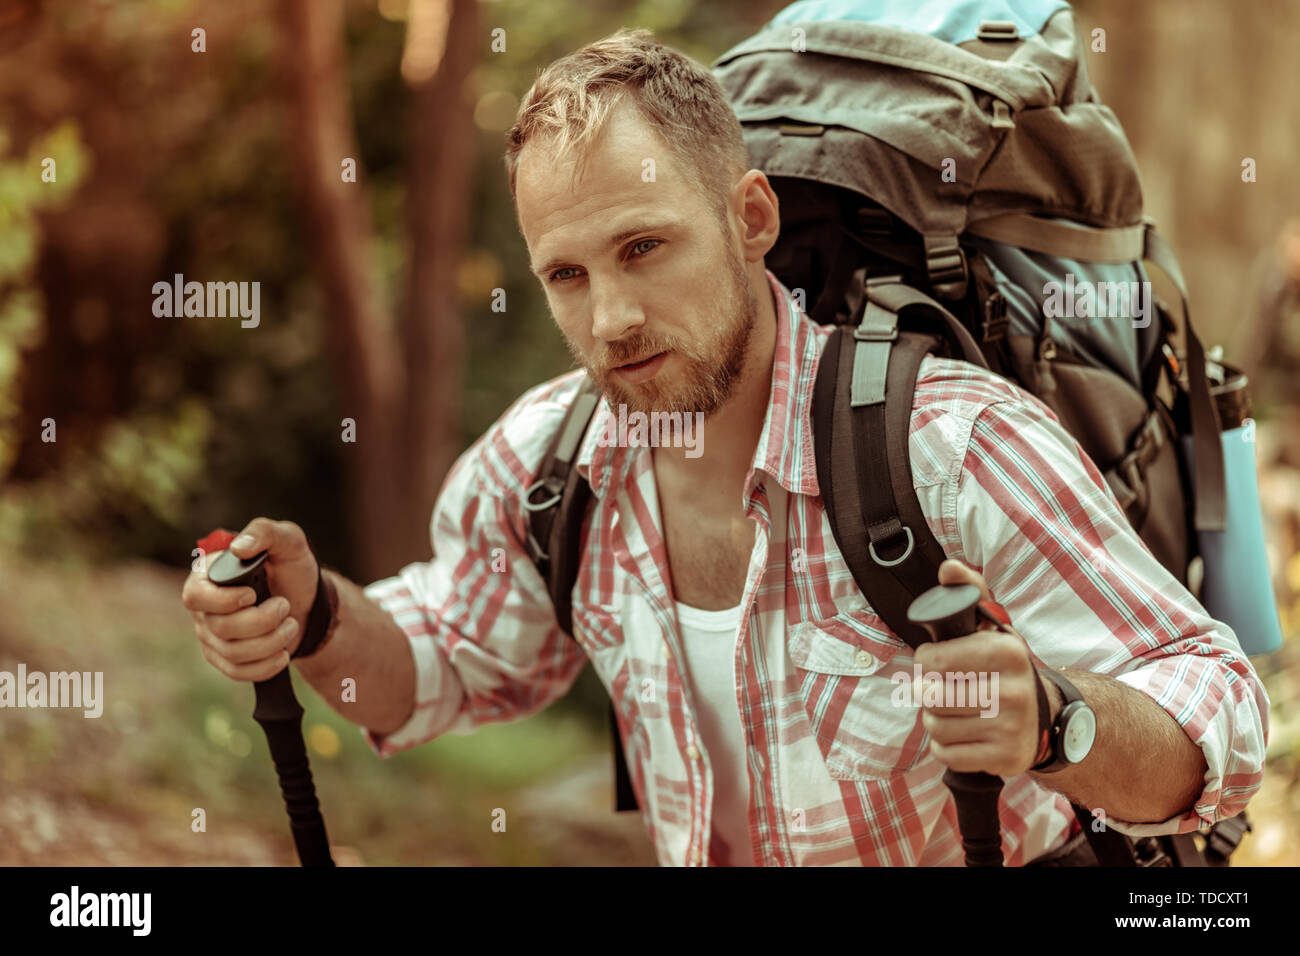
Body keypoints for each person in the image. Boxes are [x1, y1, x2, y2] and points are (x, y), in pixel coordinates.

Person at [181, 29, 1268, 867]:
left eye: (644, 248)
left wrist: (1054, 716)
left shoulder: (951, 444)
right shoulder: (546, 465)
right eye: (568, 274)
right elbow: (445, 664)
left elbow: (1217, 709)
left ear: (750, 218)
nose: (610, 318)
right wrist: (314, 612)